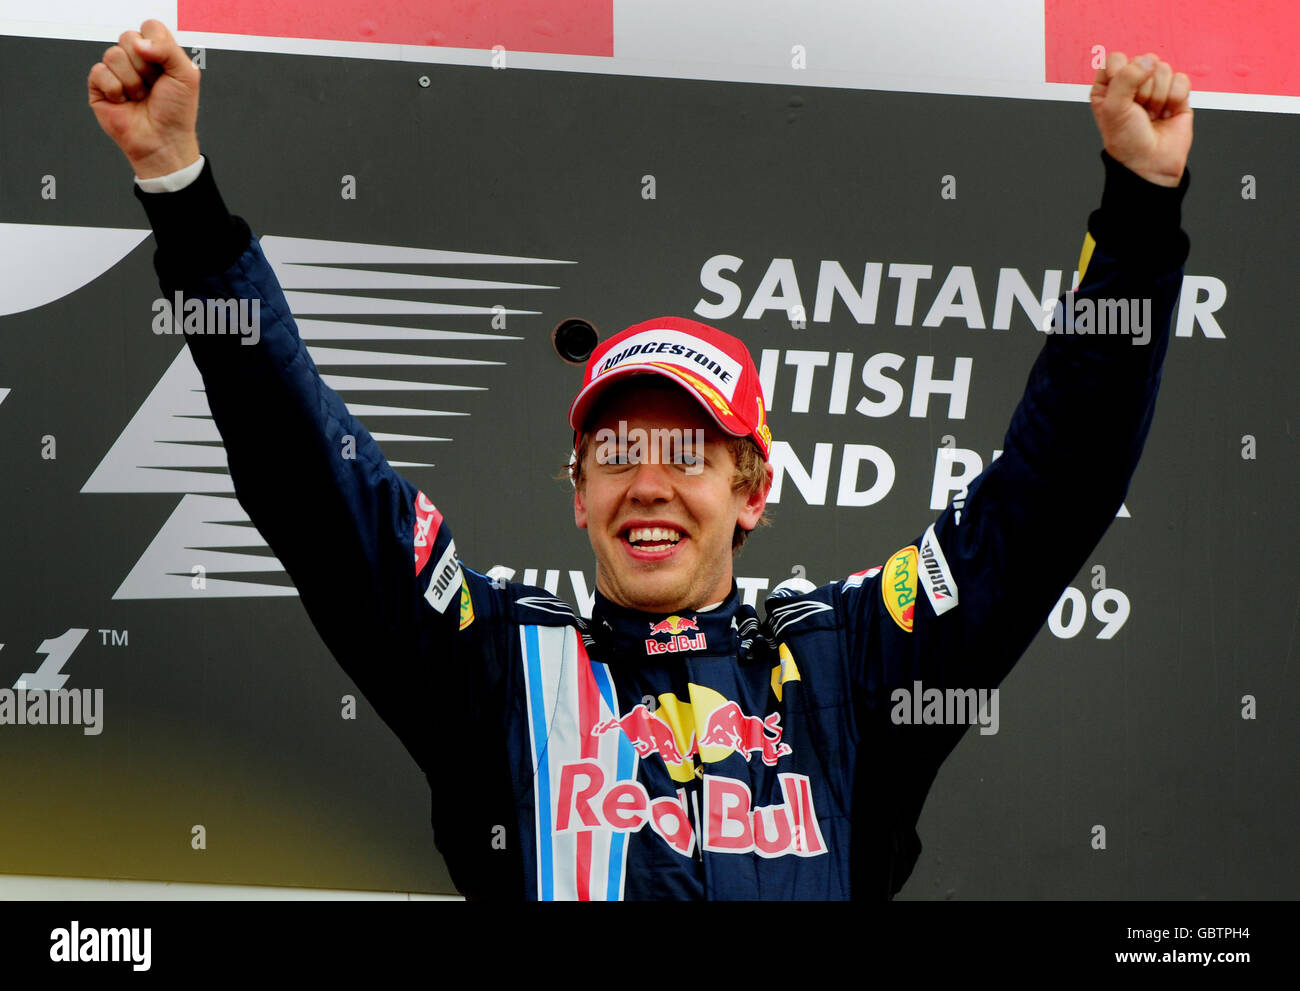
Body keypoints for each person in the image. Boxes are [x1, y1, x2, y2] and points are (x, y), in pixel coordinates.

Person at [89, 21, 1193, 900]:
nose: (649, 482)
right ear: (576, 495)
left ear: (752, 488)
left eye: (687, 451)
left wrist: (1139, 220)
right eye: (615, 450)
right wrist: (181, 193)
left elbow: (1054, 492)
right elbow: (301, 476)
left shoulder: (854, 671)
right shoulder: (497, 673)